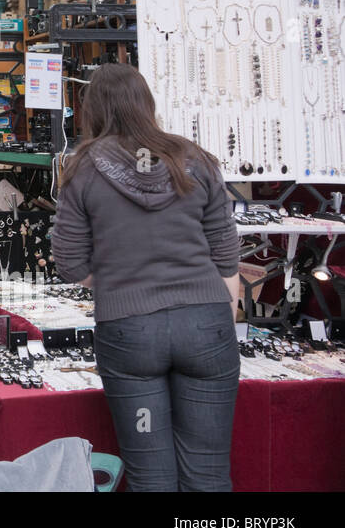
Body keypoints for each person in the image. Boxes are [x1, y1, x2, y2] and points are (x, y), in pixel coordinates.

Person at [50, 64, 240, 492]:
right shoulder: (195, 160)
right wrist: (223, 317)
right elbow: (225, 253)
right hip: (206, 326)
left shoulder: (82, 169)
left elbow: (70, 262)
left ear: (90, 110)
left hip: (130, 334)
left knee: (150, 473)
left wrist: (120, 278)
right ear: (147, 104)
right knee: (208, 472)